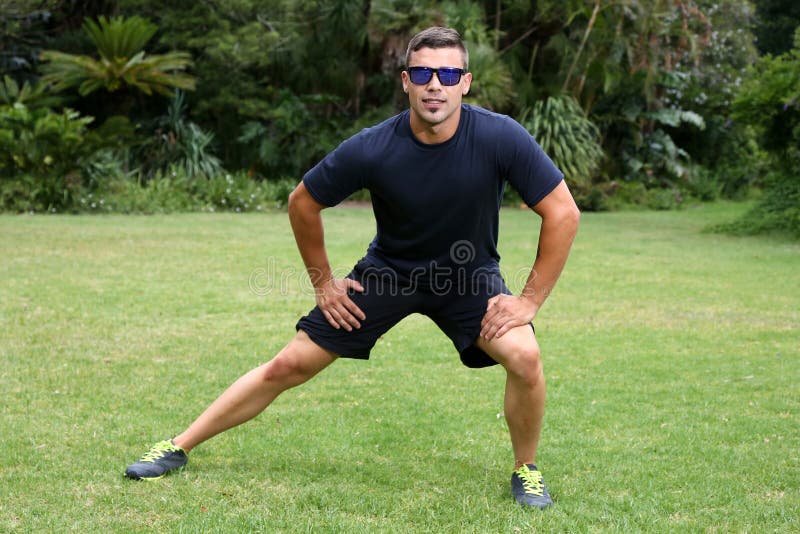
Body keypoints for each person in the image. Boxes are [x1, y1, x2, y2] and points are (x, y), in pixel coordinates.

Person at [124, 26, 580, 509]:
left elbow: (563, 213)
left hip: (467, 278)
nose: (435, 85)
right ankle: (177, 447)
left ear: (465, 82)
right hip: (390, 273)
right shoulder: (373, 147)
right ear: (406, 80)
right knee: (289, 364)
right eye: (423, 72)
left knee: (525, 358)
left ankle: (526, 469)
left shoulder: (499, 136)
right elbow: (302, 202)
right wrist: (323, 285)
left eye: (447, 73)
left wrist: (528, 301)